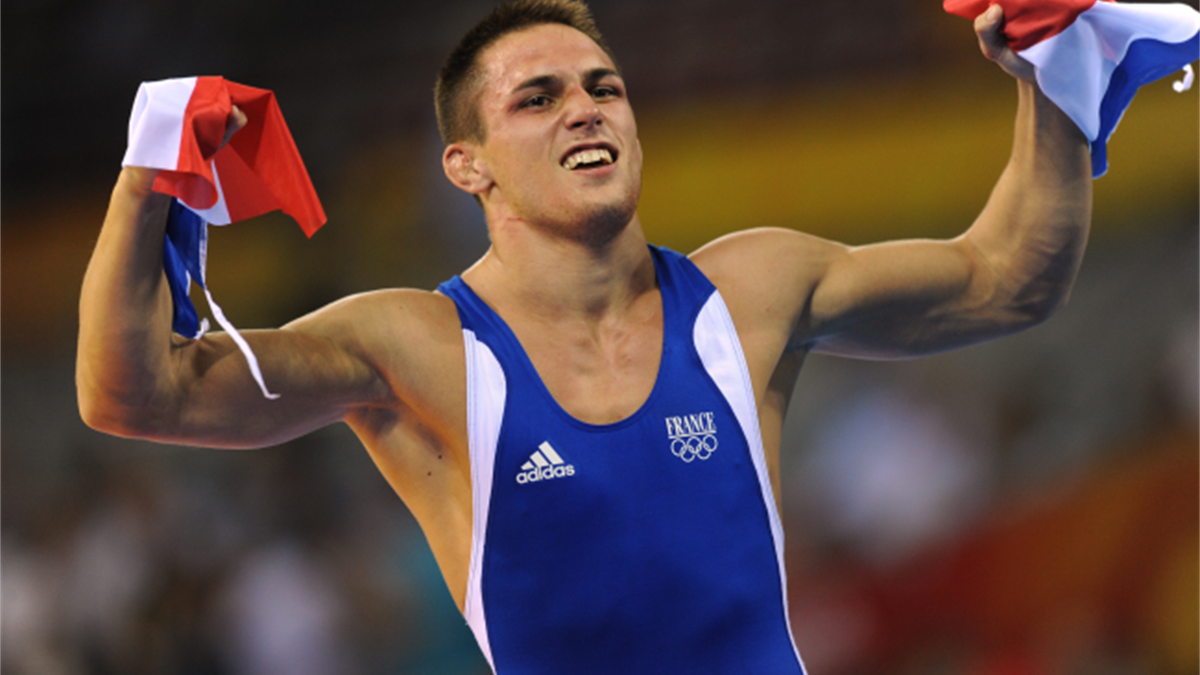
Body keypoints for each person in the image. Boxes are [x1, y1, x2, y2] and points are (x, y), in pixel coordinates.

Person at [76, 0, 1091, 672]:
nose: (585, 108)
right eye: (540, 96)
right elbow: (132, 395)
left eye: (604, 85)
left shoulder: (751, 289)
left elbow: (1008, 281)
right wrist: (146, 176)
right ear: (467, 166)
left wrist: (1048, 65)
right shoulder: (418, 347)